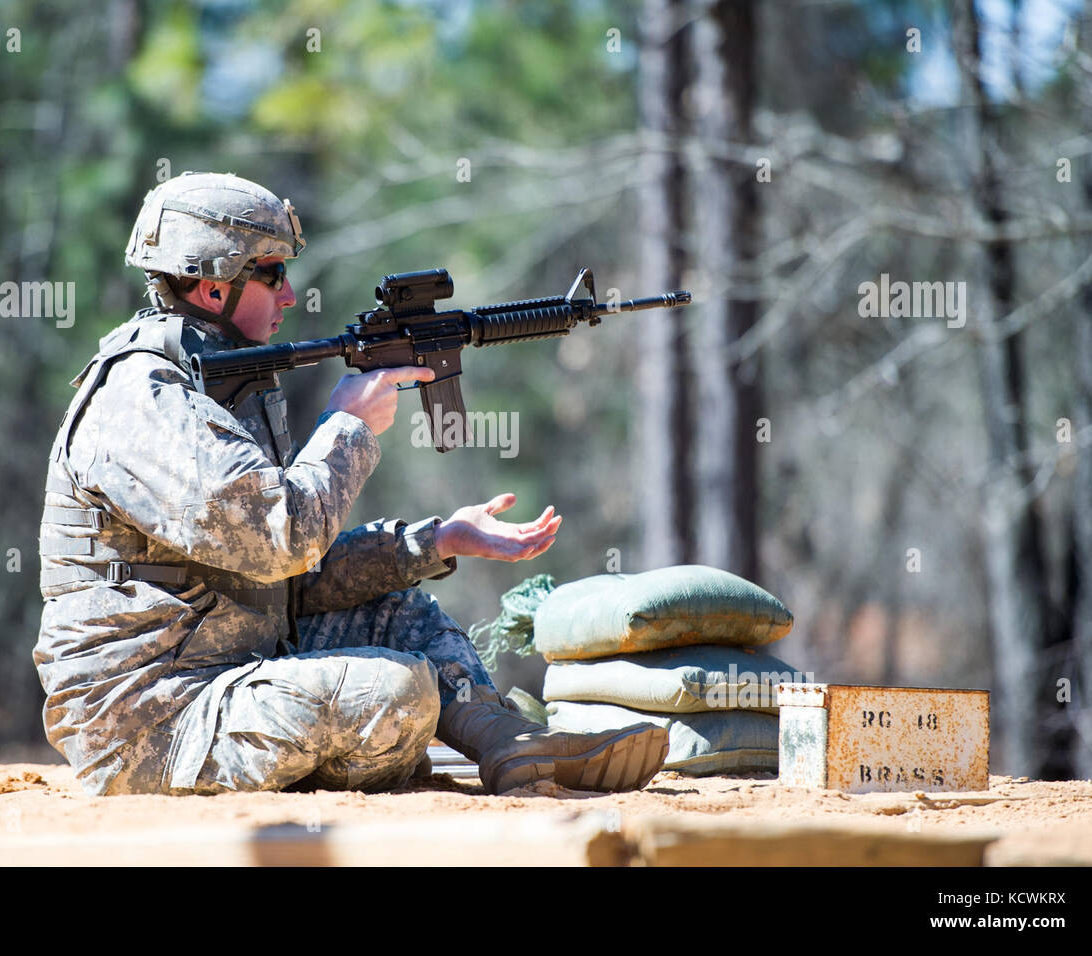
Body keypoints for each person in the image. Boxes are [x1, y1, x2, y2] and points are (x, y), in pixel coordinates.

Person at [33, 171, 667, 796]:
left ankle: (507, 742)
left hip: (223, 669)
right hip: (146, 720)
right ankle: (403, 756)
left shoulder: (218, 381)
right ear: (208, 284)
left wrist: (436, 540)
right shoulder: (143, 397)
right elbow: (280, 540)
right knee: (395, 693)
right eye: (272, 272)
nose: (288, 295)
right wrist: (349, 427)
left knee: (400, 611)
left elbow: (289, 584)